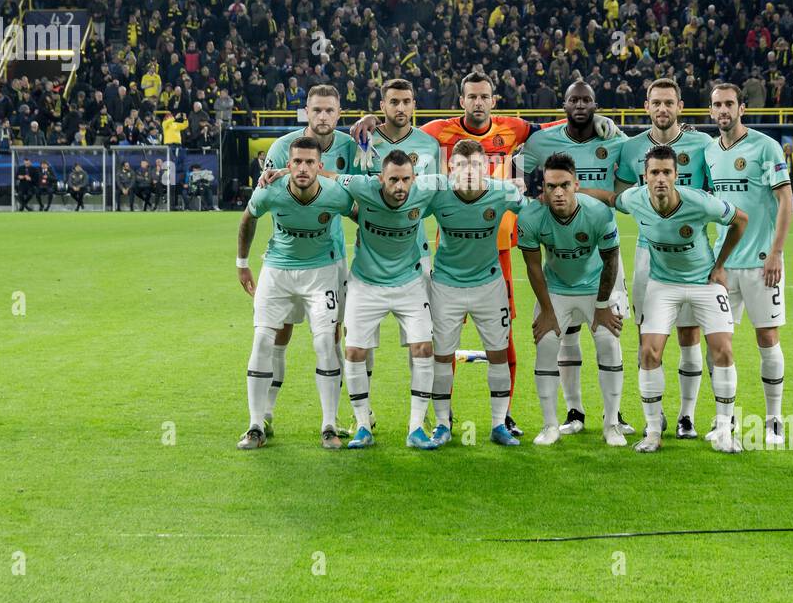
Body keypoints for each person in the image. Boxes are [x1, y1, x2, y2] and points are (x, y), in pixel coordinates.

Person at [350, 70, 621, 439]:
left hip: (499, 257)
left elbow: (553, 128)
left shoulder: (510, 133)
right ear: (461, 100)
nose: (478, 102)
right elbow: (401, 131)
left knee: (501, 343)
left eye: (484, 96)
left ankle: (502, 418)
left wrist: (594, 117)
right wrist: (373, 121)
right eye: (471, 96)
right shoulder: (436, 137)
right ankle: (443, 418)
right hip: (446, 269)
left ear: (493, 100)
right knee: (442, 347)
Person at [519, 79, 634, 437]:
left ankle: (613, 417)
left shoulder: (615, 140)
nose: (580, 105)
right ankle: (573, 413)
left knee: (609, 338)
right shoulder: (540, 141)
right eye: (573, 99)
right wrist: (539, 197)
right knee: (561, 338)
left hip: (601, 254)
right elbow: (517, 173)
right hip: (559, 262)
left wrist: (588, 197)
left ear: (596, 103)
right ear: (564, 104)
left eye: (587, 99)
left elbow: (625, 195)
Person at [615, 146, 749, 453]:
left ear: (676, 175)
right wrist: (577, 192)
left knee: (723, 350)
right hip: (663, 285)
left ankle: (725, 428)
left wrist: (720, 265)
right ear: (645, 176)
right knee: (649, 352)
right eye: (654, 173)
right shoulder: (634, 198)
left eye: (666, 172)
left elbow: (740, 220)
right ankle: (652, 432)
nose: (660, 178)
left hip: (705, 282)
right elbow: (612, 199)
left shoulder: (699, 201)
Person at [237, 135, 353, 450]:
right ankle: (256, 425)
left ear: (320, 166)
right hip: (277, 271)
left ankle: (329, 424)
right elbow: (249, 217)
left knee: (326, 343)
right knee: (263, 339)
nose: (303, 168)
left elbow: (363, 214)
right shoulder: (270, 190)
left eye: (309, 162)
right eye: (297, 162)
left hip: (322, 273)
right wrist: (242, 263)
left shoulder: (335, 194)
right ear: (288, 166)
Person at [613, 78, 713, 439]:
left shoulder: (702, 144)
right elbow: (622, 195)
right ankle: (653, 419)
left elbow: (715, 193)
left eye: (669, 103)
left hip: (691, 253)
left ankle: (687, 416)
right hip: (648, 253)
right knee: (647, 337)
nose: (663, 109)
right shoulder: (631, 148)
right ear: (646, 106)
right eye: (656, 103)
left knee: (689, 334)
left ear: (680, 107)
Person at [703, 82, 793, 447]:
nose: (723, 110)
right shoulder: (708, 151)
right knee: (718, 343)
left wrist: (776, 253)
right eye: (717, 105)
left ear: (742, 108)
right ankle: (725, 419)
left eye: (729, 104)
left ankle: (774, 419)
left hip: (760, 264)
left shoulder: (765, 147)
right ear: (711, 112)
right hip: (722, 265)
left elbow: (786, 201)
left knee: (767, 338)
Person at [335, 150, 441, 450]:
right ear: (379, 178)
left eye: (406, 179)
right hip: (365, 284)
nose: (400, 187)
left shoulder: (426, 188)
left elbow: (461, 180)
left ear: (414, 178)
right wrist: (283, 174)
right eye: (393, 179)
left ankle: (417, 428)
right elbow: (329, 178)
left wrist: (507, 184)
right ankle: (362, 426)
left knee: (423, 348)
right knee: (354, 351)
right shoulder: (361, 186)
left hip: (409, 283)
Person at [422, 139, 525, 446]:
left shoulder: (502, 191)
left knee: (498, 354)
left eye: (476, 164)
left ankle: (498, 424)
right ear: (451, 167)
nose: (469, 171)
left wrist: (525, 187)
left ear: (487, 168)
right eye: (463, 164)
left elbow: (533, 209)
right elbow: (403, 204)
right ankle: (442, 424)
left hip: (489, 286)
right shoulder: (437, 193)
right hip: (445, 287)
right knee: (441, 357)